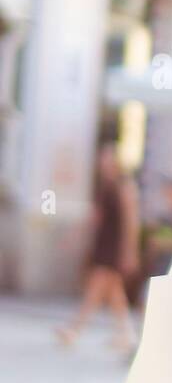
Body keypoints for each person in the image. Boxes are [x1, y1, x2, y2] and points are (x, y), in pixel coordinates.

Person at [57, 144, 140, 353]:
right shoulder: (110, 186)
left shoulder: (120, 186)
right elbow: (97, 217)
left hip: (113, 247)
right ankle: (127, 333)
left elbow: (127, 221)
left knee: (96, 288)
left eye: (107, 158)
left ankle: (75, 329)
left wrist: (129, 251)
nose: (103, 162)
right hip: (107, 245)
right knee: (114, 292)